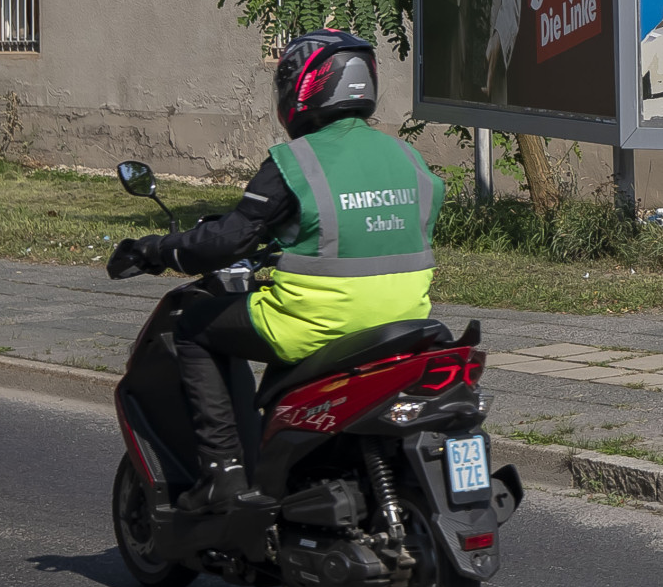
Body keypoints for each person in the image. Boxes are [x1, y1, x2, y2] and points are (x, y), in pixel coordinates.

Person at [106, 30, 443, 514]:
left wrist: (155, 250)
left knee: (194, 328)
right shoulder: (409, 158)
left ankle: (222, 473)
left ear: (302, 86)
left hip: (315, 321)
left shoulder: (297, 161)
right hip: (403, 321)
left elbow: (225, 241)